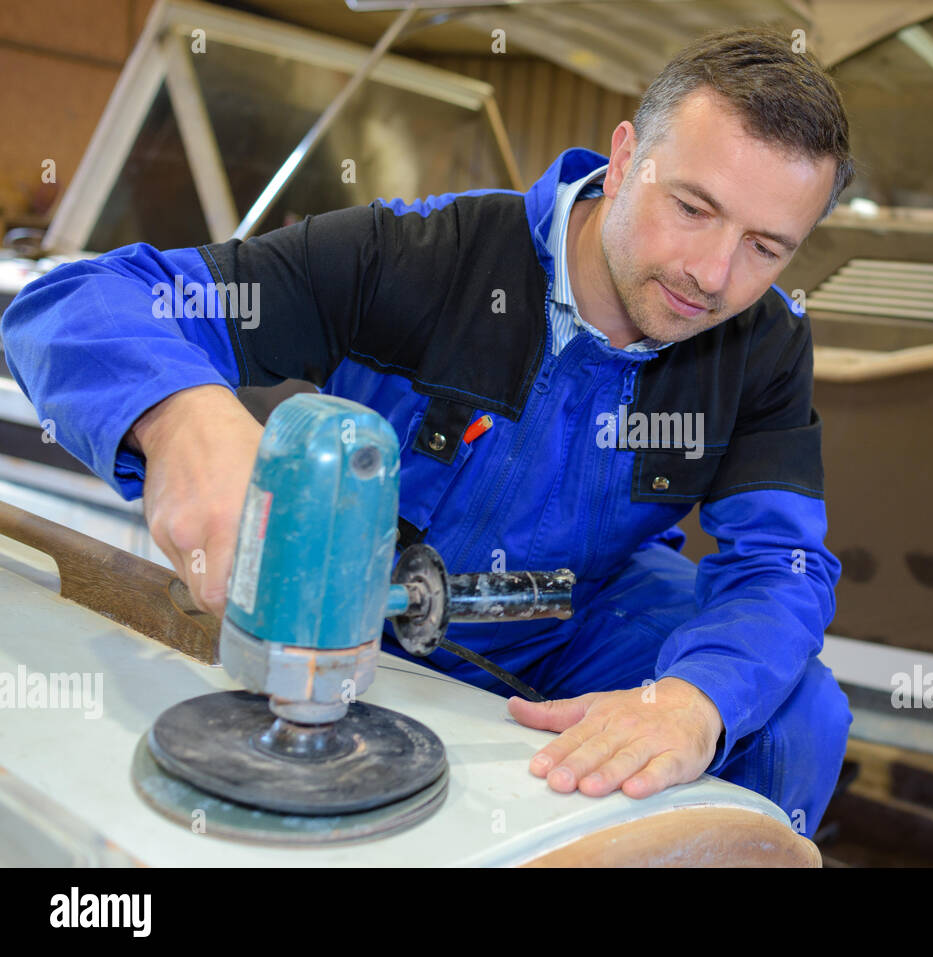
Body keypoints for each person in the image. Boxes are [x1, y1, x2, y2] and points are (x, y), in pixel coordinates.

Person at [3, 27, 856, 837]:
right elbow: (74, 301)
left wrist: (695, 701)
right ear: (627, 157)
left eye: (765, 247)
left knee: (795, 715)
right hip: (350, 617)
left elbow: (780, 565)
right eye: (694, 207)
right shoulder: (416, 260)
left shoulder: (764, 347)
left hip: (573, 623)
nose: (713, 275)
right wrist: (183, 414)